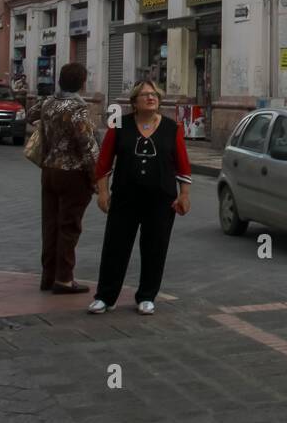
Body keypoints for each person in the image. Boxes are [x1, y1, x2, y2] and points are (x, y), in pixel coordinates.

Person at [88, 79, 191, 316]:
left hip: (161, 200)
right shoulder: (120, 126)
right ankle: (105, 296)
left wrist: (184, 195)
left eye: (154, 94)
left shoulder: (171, 128)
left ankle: (147, 296)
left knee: (155, 247)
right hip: (125, 197)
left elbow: (183, 166)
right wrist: (103, 192)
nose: (151, 97)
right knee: (115, 246)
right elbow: (103, 163)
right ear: (134, 102)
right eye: (145, 94)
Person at [39, 63, 99, 294]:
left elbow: (36, 123)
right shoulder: (77, 108)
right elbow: (87, 144)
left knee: (50, 224)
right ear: (82, 82)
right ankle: (63, 278)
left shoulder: (48, 103)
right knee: (69, 226)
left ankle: (48, 275)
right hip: (72, 173)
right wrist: (96, 176)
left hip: (49, 170)